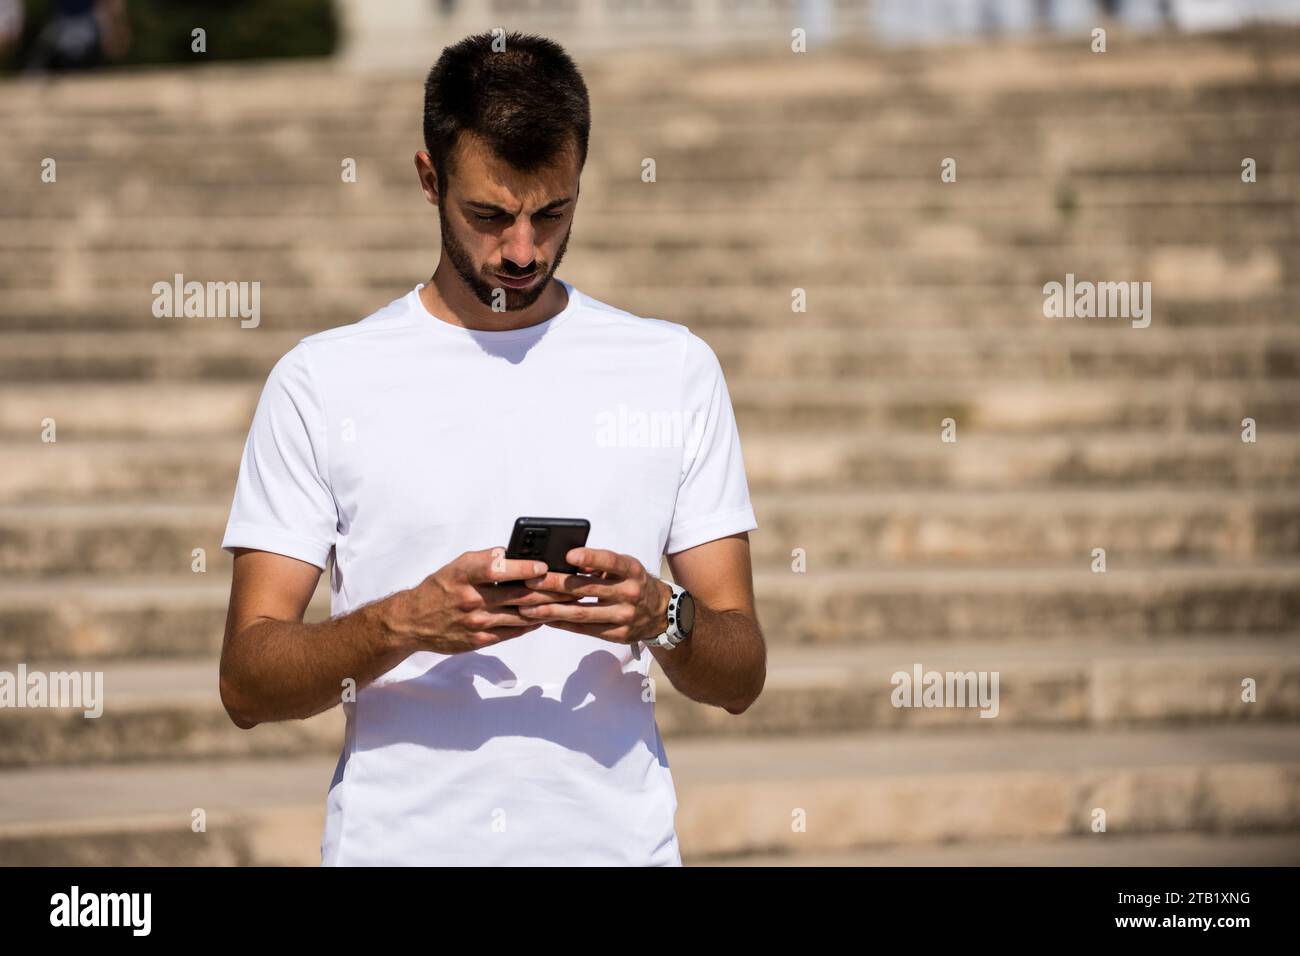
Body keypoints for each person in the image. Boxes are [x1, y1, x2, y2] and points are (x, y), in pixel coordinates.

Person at [219, 31, 766, 866]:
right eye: (490, 215)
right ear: (428, 179)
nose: (522, 250)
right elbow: (248, 682)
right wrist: (404, 622)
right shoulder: (321, 382)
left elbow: (740, 674)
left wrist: (667, 617)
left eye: (553, 213)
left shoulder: (673, 369)